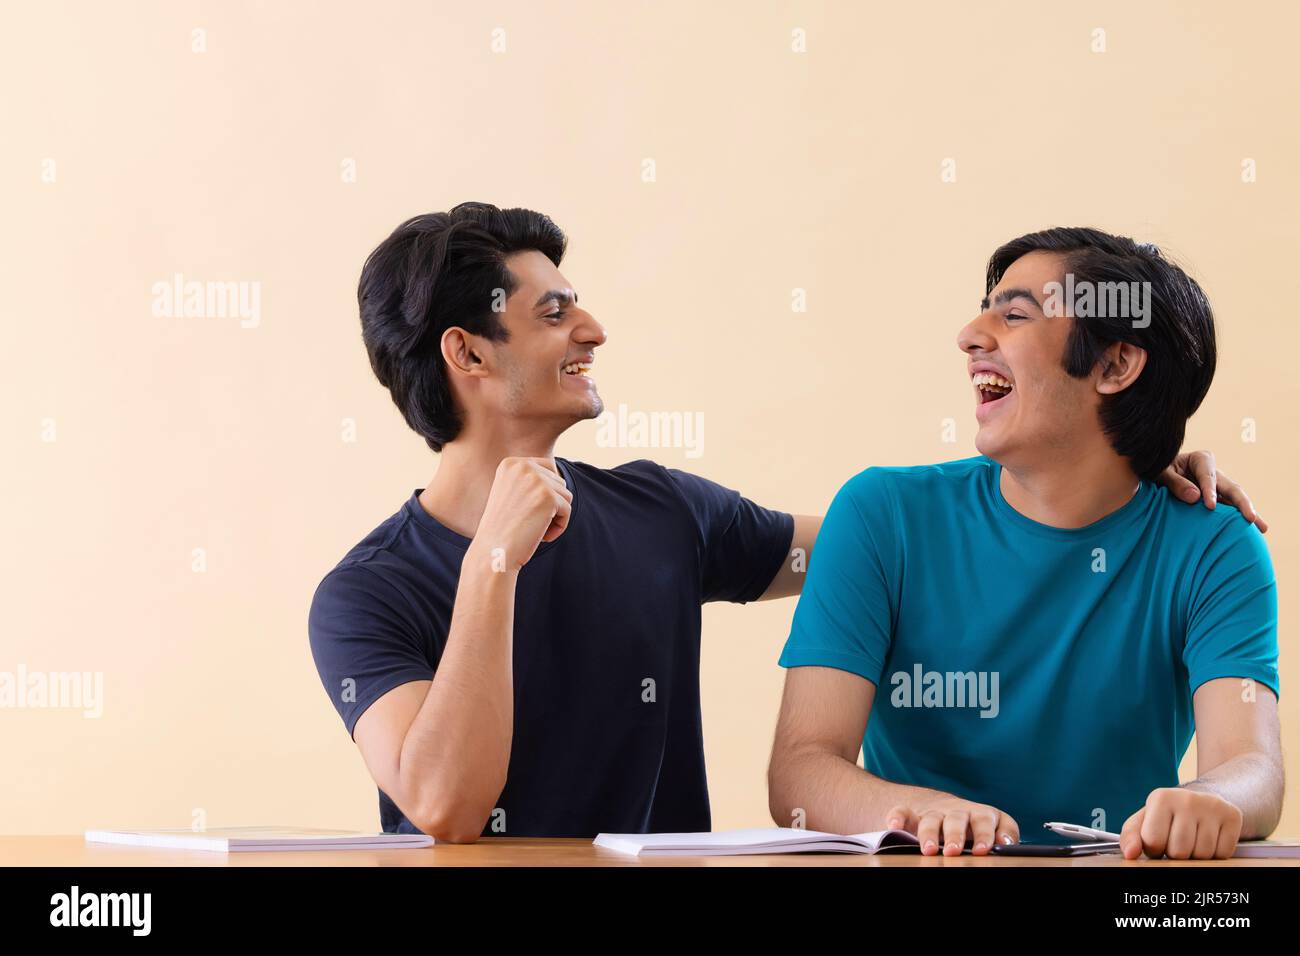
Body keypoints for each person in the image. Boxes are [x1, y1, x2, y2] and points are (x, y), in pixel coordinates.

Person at [310, 205, 1260, 842]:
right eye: (555, 311)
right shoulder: (365, 594)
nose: (592, 328)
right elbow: (443, 803)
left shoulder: (664, 512)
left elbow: (885, 543)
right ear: (468, 352)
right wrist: (493, 565)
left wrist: (1127, 465)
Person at [768, 227, 1280, 860]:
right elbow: (801, 769)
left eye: (1013, 315)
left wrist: (1213, 798)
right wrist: (917, 810)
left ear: (1115, 365)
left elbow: (1252, 764)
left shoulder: (1215, 544)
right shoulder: (880, 515)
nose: (970, 336)